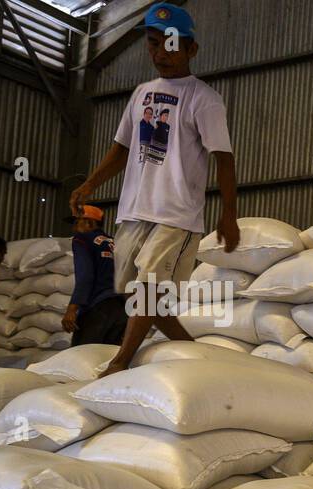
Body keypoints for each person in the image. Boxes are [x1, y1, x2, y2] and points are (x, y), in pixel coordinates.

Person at [69, 2, 238, 376]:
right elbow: (121, 150)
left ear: (191, 49)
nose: (161, 53)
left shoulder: (204, 99)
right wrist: (90, 183)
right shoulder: (141, 93)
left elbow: (223, 158)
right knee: (140, 297)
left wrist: (229, 215)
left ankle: (120, 361)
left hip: (176, 214)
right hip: (134, 211)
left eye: (171, 45)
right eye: (153, 44)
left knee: (147, 291)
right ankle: (197, 355)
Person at [62, 206, 126, 347]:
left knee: (80, 356)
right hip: (121, 308)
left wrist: (72, 309)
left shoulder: (82, 239)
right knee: (106, 357)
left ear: (89, 222)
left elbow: (85, 275)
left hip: (98, 307)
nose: (74, 228)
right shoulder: (114, 242)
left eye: (77, 222)